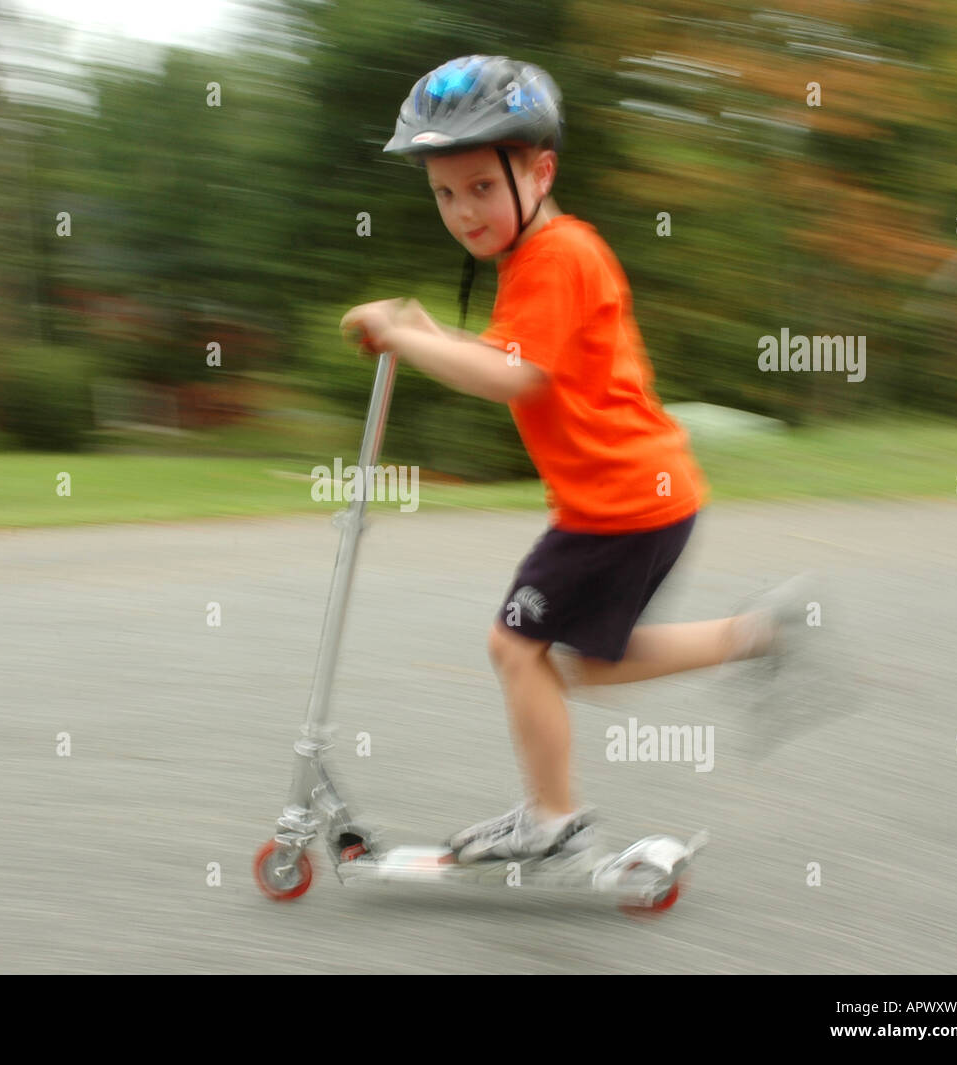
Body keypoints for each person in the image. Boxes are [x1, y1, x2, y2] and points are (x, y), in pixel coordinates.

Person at [341, 55, 805, 864]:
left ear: (540, 169)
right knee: (587, 664)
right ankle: (756, 635)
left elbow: (512, 374)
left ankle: (552, 820)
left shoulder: (557, 257)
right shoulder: (542, 255)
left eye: (482, 186)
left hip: (623, 503)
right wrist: (418, 322)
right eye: (445, 193)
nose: (463, 211)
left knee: (515, 647)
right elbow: (506, 353)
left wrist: (410, 338)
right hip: (630, 500)